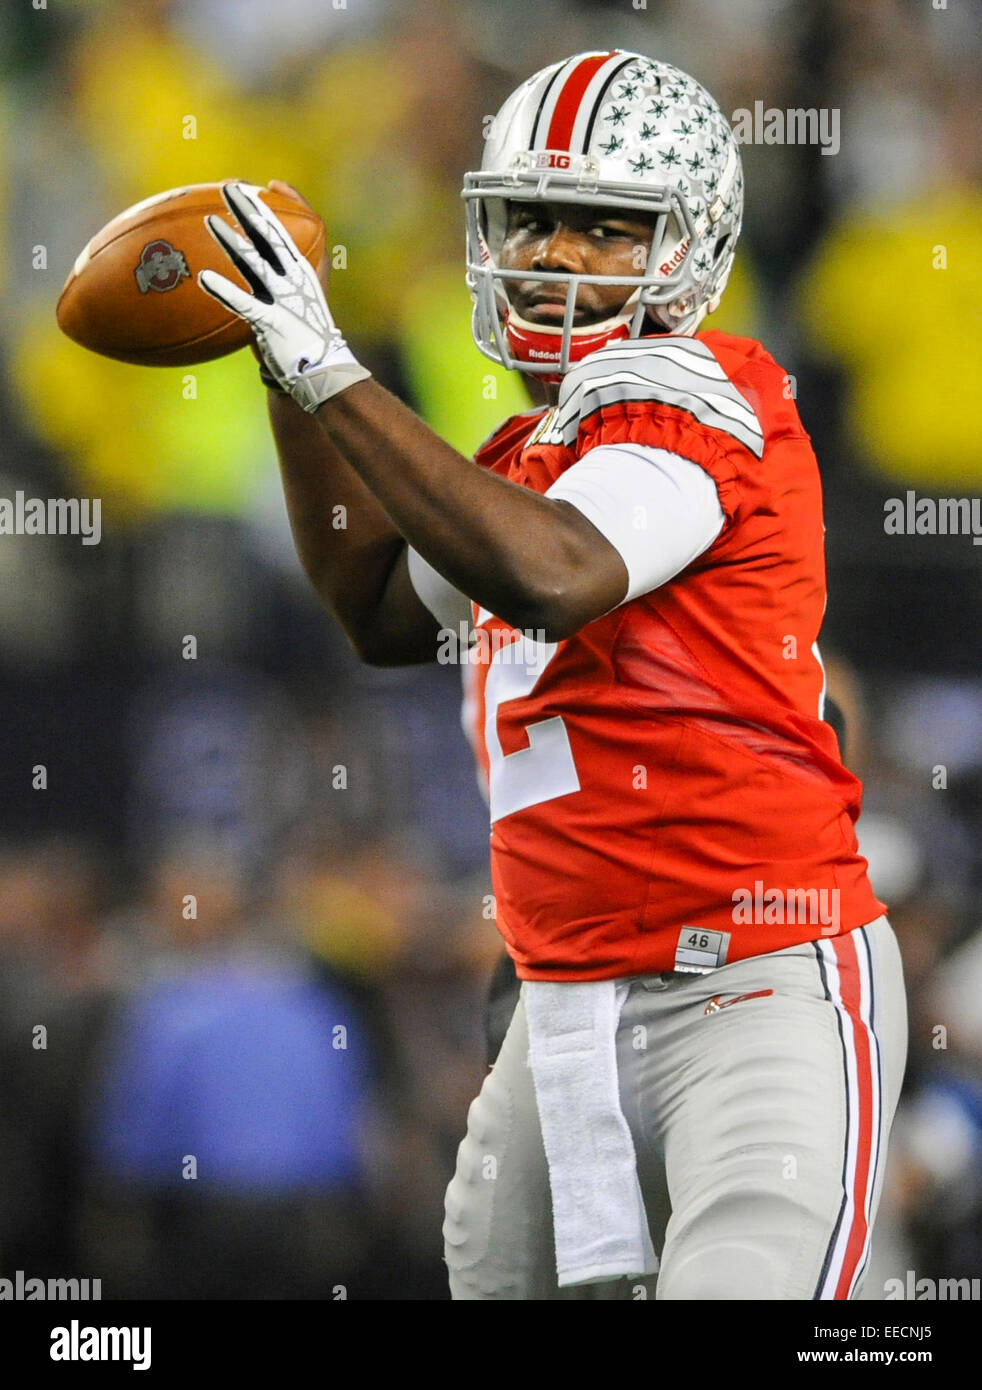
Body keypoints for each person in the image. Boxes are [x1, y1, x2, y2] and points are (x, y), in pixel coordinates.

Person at [197, 50, 908, 1300]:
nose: (559, 254)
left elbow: (554, 572)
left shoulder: (697, 390)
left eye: (607, 227)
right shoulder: (529, 457)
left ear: (690, 249)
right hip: (565, 1005)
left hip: (747, 984)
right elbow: (374, 609)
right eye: (533, 218)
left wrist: (330, 371)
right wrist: (286, 379)